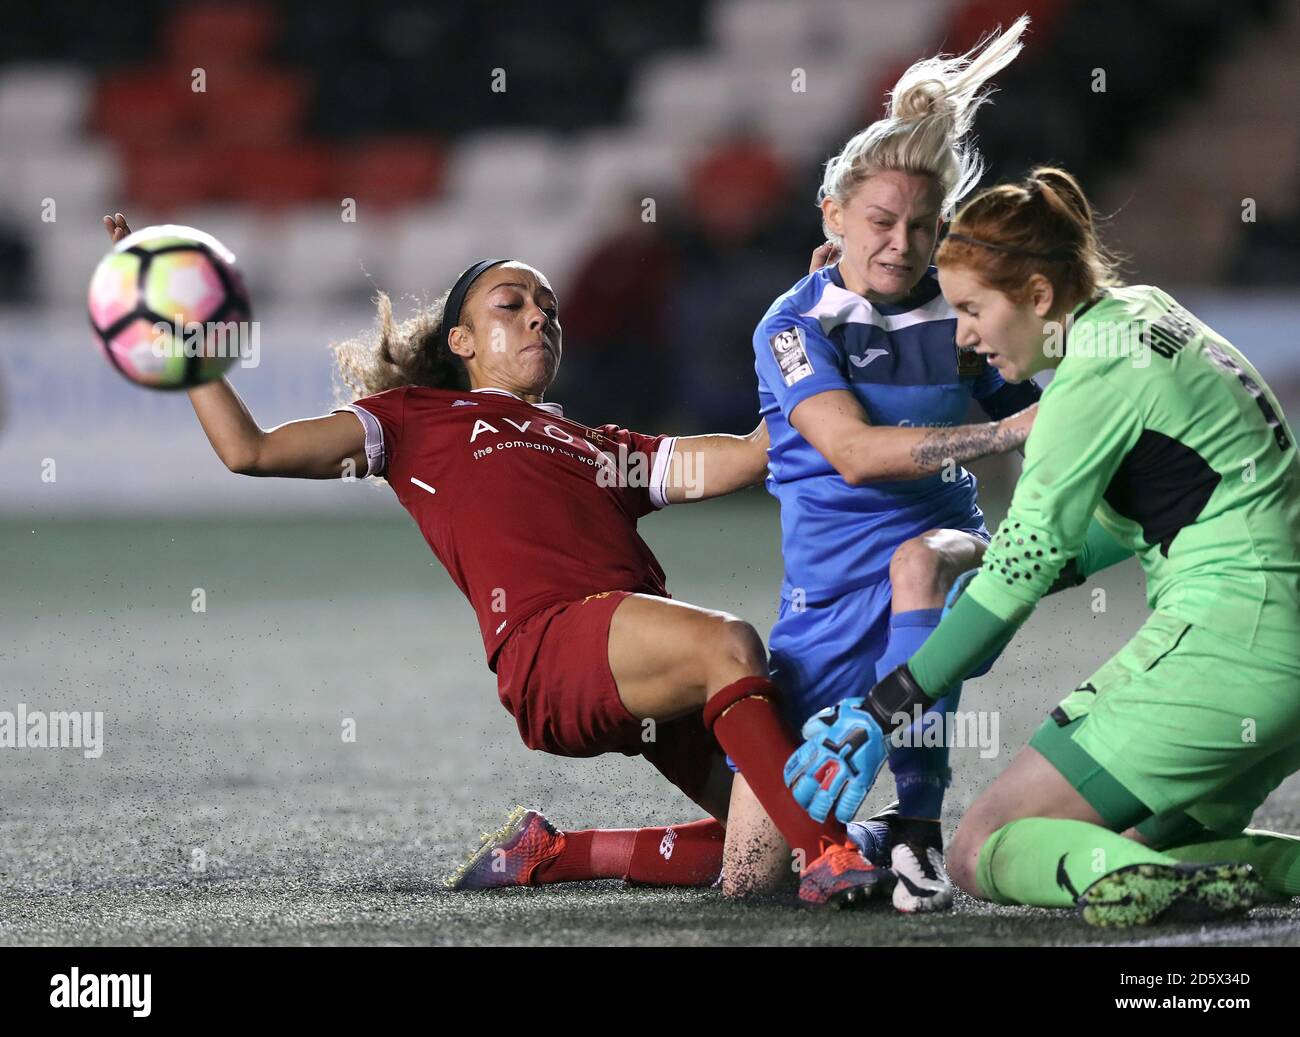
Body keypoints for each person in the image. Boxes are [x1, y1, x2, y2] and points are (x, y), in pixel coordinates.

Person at [99, 213, 1034, 906]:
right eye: (511, 305)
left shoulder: (593, 445)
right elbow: (249, 450)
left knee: (754, 853)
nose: (539, 318)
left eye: (548, 308)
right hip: (552, 648)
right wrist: (193, 352)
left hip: (636, 662)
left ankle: (553, 850)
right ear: (460, 341)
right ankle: (841, 855)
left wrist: (816, 323)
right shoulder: (415, 424)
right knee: (731, 646)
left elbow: (761, 449)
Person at [451, 18, 1127, 910]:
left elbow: (1030, 399)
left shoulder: (961, 311)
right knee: (752, 871)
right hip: (822, 608)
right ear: (833, 215)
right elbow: (850, 453)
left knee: (918, 569)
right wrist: (1007, 433)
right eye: (881, 221)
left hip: (940, 560)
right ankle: (556, 848)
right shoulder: (793, 325)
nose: (900, 243)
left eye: (923, 227)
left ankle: (918, 830)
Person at [784, 166, 1300, 926]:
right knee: (1115, 841)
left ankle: (1137, 884)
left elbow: (1016, 583)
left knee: (980, 845)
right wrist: (982, 570)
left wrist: (882, 706)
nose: (962, 335)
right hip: (1275, 662)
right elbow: (1130, 520)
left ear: (1035, 295)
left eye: (971, 309)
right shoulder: (1148, 314)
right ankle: (1246, 867)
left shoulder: (1088, 381)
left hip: (1229, 649)